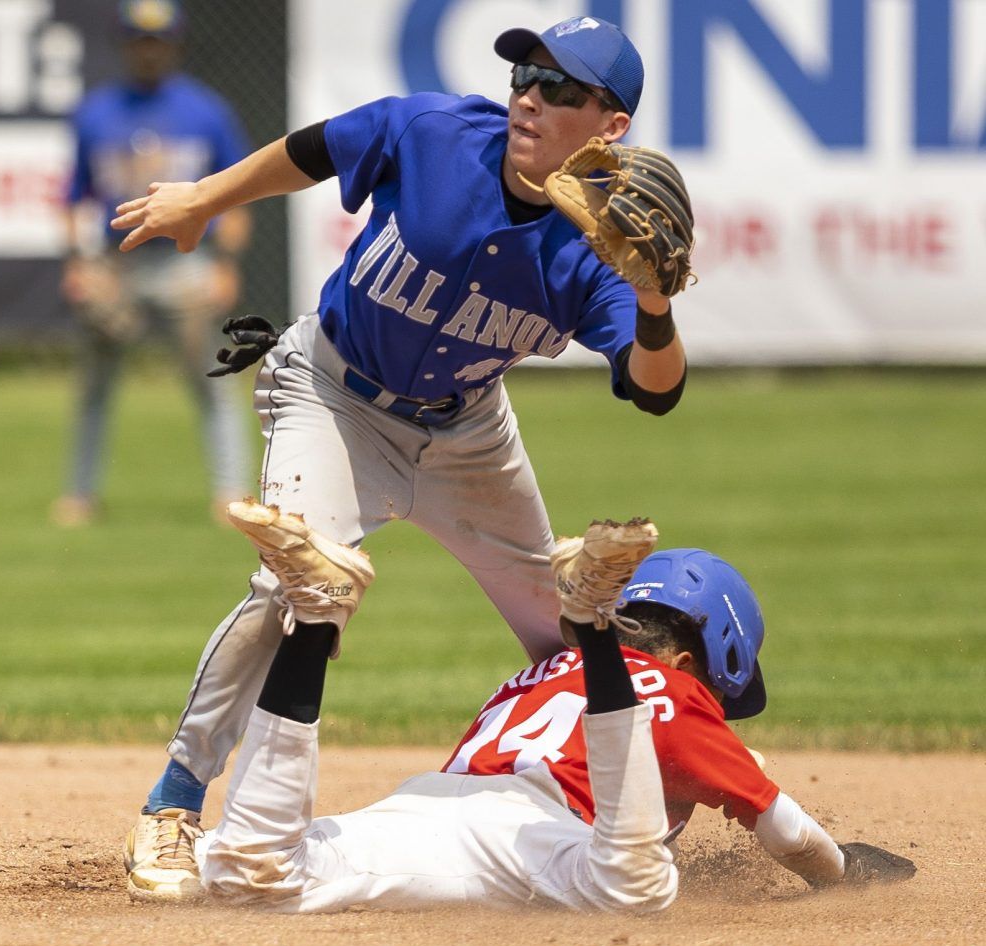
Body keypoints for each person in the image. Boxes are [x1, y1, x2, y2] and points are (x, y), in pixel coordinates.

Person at [113, 16, 690, 897]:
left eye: (561, 88)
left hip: (469, 435)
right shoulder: (437, 133)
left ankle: (629, 808)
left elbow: (657, 390)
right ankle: (174, 805)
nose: (530, 96)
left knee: (569, 626)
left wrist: (653, 301)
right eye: (525, 75)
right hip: (333, 392)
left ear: (611, 124)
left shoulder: (602, 247)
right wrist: (204, 200)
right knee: (290, 588)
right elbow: (317, 147)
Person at [126, 504, 915, 909]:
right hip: (528, 838)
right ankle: (593, 621)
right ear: (688, 660)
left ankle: (316, 617)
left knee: (247, 870)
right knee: (639, 892)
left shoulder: (533, 678)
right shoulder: (674, 686)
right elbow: (785, 829)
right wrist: (841, 870)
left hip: (428, 806)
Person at [53, 0, 253, 527]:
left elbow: (237, 195)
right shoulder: (95, 111)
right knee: (94, 384)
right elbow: (74, 196)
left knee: (210, 378)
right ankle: (80, 494)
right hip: (114, 264)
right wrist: (77, 261)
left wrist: (224, 264)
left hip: (183, 261)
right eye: (140, 41)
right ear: (124, 44)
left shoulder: (205, 110)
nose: (149, 50)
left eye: (157, 40)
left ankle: (230, 493)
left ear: (174, 44)